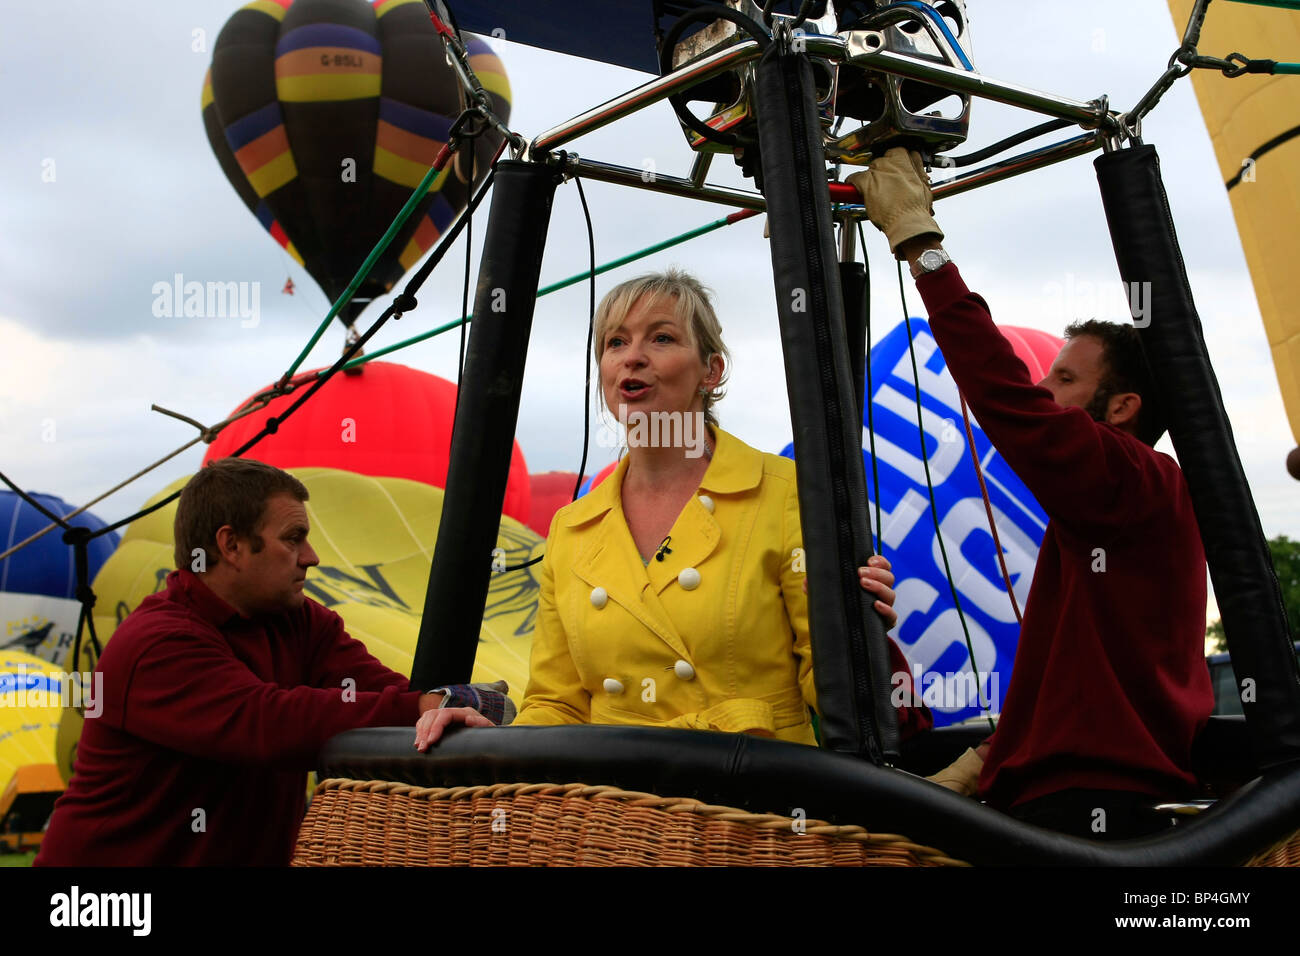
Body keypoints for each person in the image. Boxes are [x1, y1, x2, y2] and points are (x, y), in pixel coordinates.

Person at [850, 149, 1214, 840]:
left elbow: (1003, 394)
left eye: (1066, 380)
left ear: (1122, 406)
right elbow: (1085, 682)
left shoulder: (1132, 479)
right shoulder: (1118, 511)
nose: (1045, 388)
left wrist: (920, 245)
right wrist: (988, 757)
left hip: (1094, 808)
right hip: (1073, 788)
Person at [416, 269, 930, 750]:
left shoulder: (788, 494)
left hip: (757, 808)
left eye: (660, 338)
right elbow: (559, 704)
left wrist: (858, 636)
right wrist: (492, 739)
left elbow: (839, 696)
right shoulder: (572, 527)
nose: (631, 357)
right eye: (615, 343)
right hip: (616, 814)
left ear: (712, 370)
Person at [35, 458, 499, 866]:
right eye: (294, 539)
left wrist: (438, 705)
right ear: (231, 545)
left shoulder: (299, 623)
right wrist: (421, 708)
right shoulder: (156, 643)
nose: (312, 558)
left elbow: (388, 693)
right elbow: (265, 724)